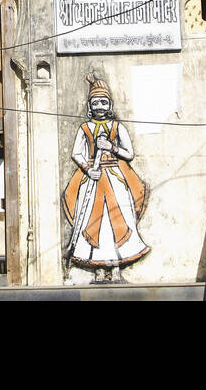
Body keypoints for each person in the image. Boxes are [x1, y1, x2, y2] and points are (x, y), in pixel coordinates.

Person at [62, 74, 149, 281]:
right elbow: (76, 153)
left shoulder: (117, 127)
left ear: (109, 104)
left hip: (114, 177)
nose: (99, 106)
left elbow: (129, 154)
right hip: (93, 176)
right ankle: (98, 267)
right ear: (90, 105)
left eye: (103, 102)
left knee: (117, 217)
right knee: (92, 220)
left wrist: (112, 147)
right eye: (95, 102)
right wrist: (87, 168)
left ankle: (117, 265)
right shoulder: (85, 128)